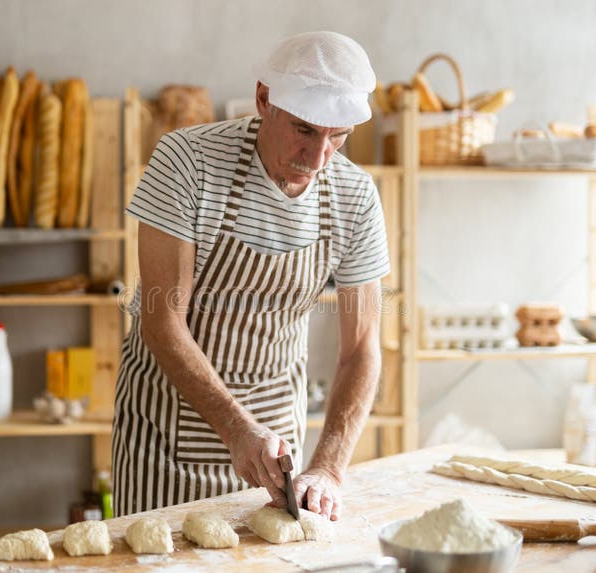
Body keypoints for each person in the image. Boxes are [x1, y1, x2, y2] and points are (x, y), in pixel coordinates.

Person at [112, 30, 390, 521]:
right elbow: (161, 323)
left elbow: (362, 349)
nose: (318, 157)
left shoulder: (356, 196)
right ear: (265, 98)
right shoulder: (187, 163)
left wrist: (327, 467)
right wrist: (237, 430)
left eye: (338, 137)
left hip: (275, 445)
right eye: (304, 130)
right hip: (166, 439)